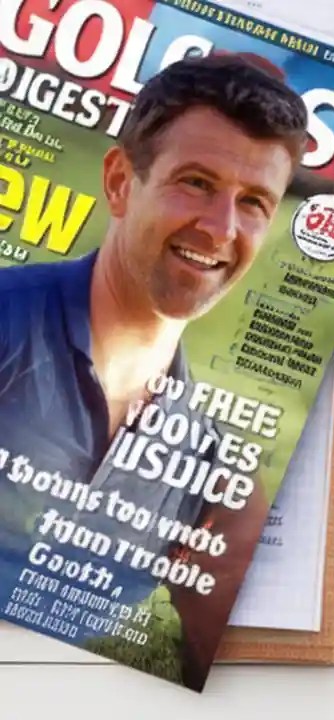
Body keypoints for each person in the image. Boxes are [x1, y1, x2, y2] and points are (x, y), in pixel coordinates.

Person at [0, 53, 309, 689]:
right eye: (196, 182)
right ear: (120, 181)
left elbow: (256, 681)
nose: (220, 229)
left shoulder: (217, 476)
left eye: (253, 201)